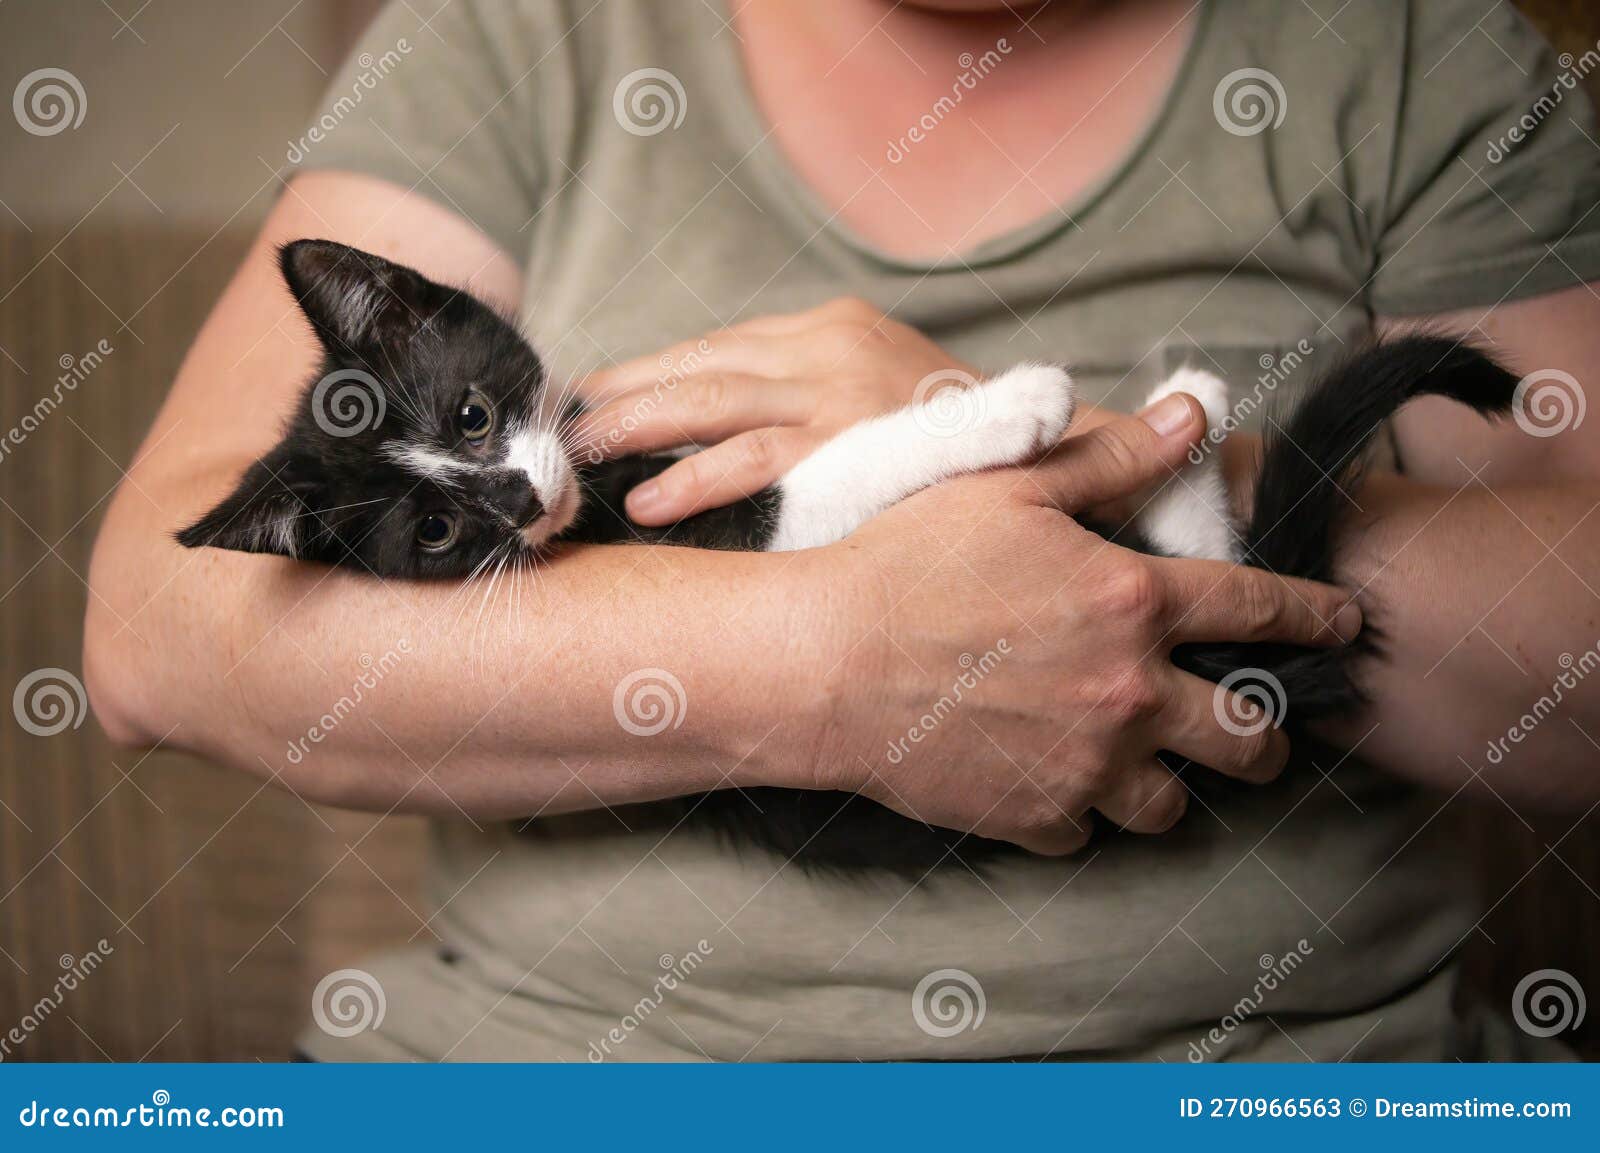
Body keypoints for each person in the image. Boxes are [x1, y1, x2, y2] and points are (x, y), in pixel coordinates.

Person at [85, 0, 1600, 1061]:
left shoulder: (1403, 44)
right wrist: (836, 663)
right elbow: (158, 637)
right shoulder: (518, 26)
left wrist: (1110, 483)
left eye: (480, 436)